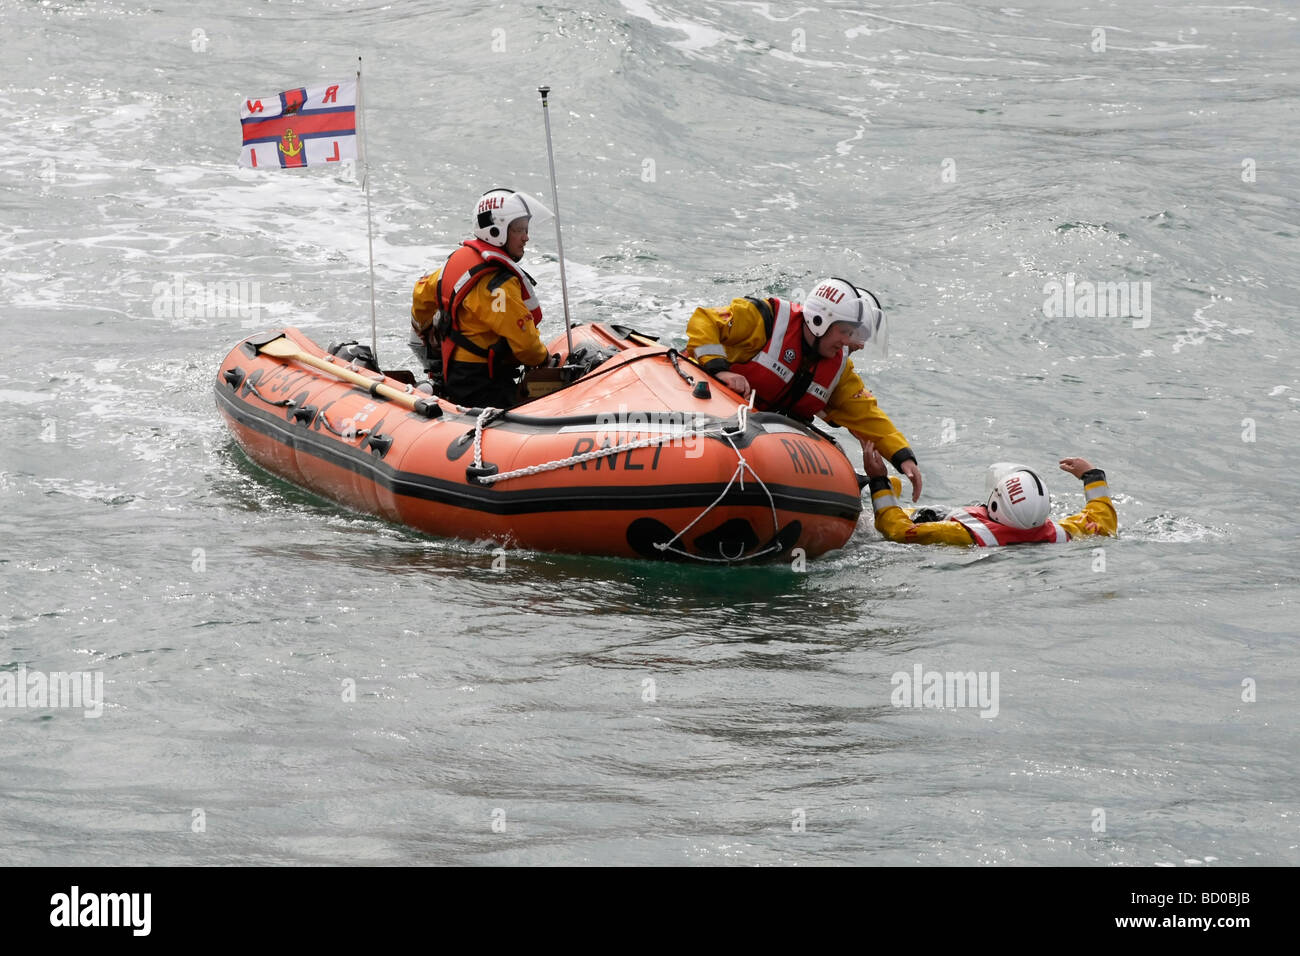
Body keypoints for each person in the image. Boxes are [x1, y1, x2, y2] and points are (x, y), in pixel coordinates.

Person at [685, 278, 923, 500]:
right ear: (820, 320)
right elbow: (705, 321)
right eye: (845, 332)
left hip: (757, 439)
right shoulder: (768, 319)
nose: (849, 342)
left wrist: (903, 457)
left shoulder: (838, 370)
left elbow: (866, 414)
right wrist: (720, 370)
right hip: (705, 406)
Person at [409, 188, 552, 408]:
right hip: (484, 384)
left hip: (453, 374)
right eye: (520, 230)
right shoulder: (499, 285)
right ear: (497, 230)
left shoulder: (456, 261)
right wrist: (545, 360)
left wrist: (426, 331)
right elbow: (526, 346)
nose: (526, 237)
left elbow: (421, 297)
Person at [862, 443, 1116, 546]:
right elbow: (1102, 518)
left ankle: (883, 486)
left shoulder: (961, 535)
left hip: (926, 518)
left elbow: (898, 531)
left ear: (995, 505)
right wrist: (1091, 475)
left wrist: (878, 481)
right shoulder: (1063, 533)